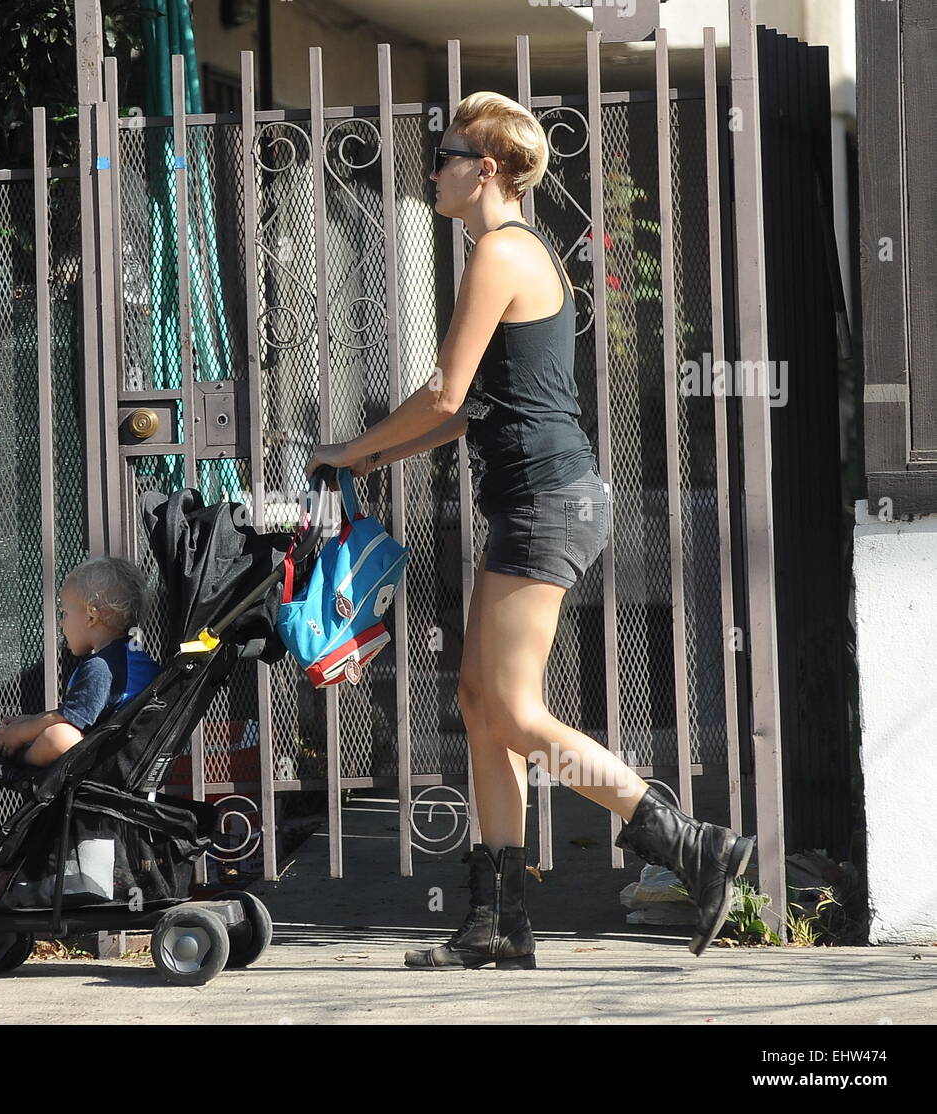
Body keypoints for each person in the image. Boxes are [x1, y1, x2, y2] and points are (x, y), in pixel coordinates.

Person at [305, 91, 753, 969]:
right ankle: (497, 925)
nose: (434, 167)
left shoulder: (502, 252)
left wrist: (351, 446)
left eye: (447, 152)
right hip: (532, 499)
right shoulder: (500, 251)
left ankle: (686, 839)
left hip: (549, 500)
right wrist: (362, 463)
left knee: (511, 705)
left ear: (490, 168)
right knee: (479, 707)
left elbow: (441, 393)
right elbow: (465, 411)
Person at [0, 556, 161, 767]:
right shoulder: (133, 660)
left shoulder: (101, 667)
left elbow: (70, 719)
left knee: (59, 736)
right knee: (44, 725)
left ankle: (17, 758)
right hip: (130, 756)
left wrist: (17, 734)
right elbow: (74, 711)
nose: (61, 622)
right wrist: (29, 722)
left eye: (65, 613)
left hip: (107, 763)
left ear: (91, 617)